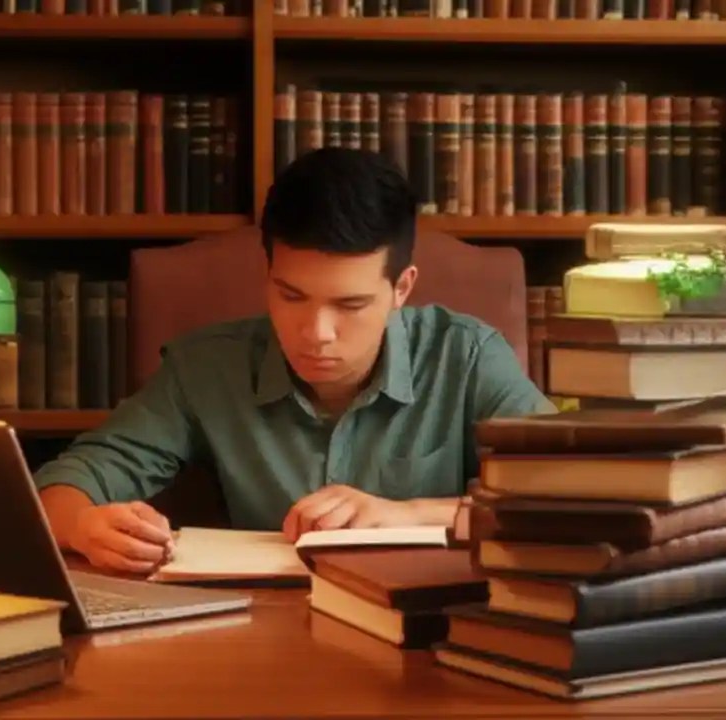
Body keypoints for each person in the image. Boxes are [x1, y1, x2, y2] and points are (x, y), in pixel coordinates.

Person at [33, 147, 555, 573]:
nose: (316, 334)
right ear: (268, 274)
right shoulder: (206, 368)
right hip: (260, 639)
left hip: (427, 634)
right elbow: (62, 483)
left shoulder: (465, 356)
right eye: (291, 296)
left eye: (350, 305)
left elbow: (572, 496)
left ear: (401, 288)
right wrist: (84, 526)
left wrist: (410, 515)